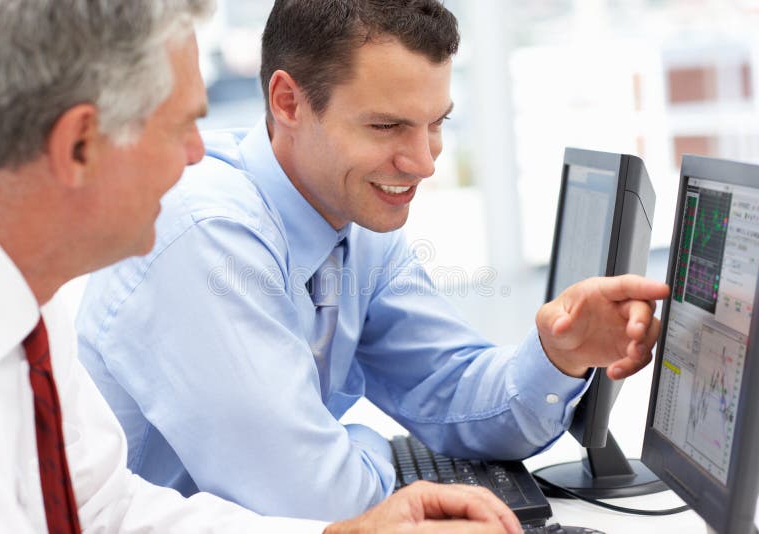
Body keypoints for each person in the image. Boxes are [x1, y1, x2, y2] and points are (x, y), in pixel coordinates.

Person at [75, 0, 670, 523]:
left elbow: (455, 393)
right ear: (288, 102)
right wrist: (370, 443)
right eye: (387, 126)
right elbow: (322, 506)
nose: (425, 162)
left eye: (436, 124)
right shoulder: (206, 234)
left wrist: (558, 354)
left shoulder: (350, 217)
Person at [0, 1, 524, 533]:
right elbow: (312, 496)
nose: (197, 153)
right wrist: (371, 452)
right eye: (179, 126)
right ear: (80, 144)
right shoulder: (199, 226)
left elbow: (106, 508)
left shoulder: (29, 310)